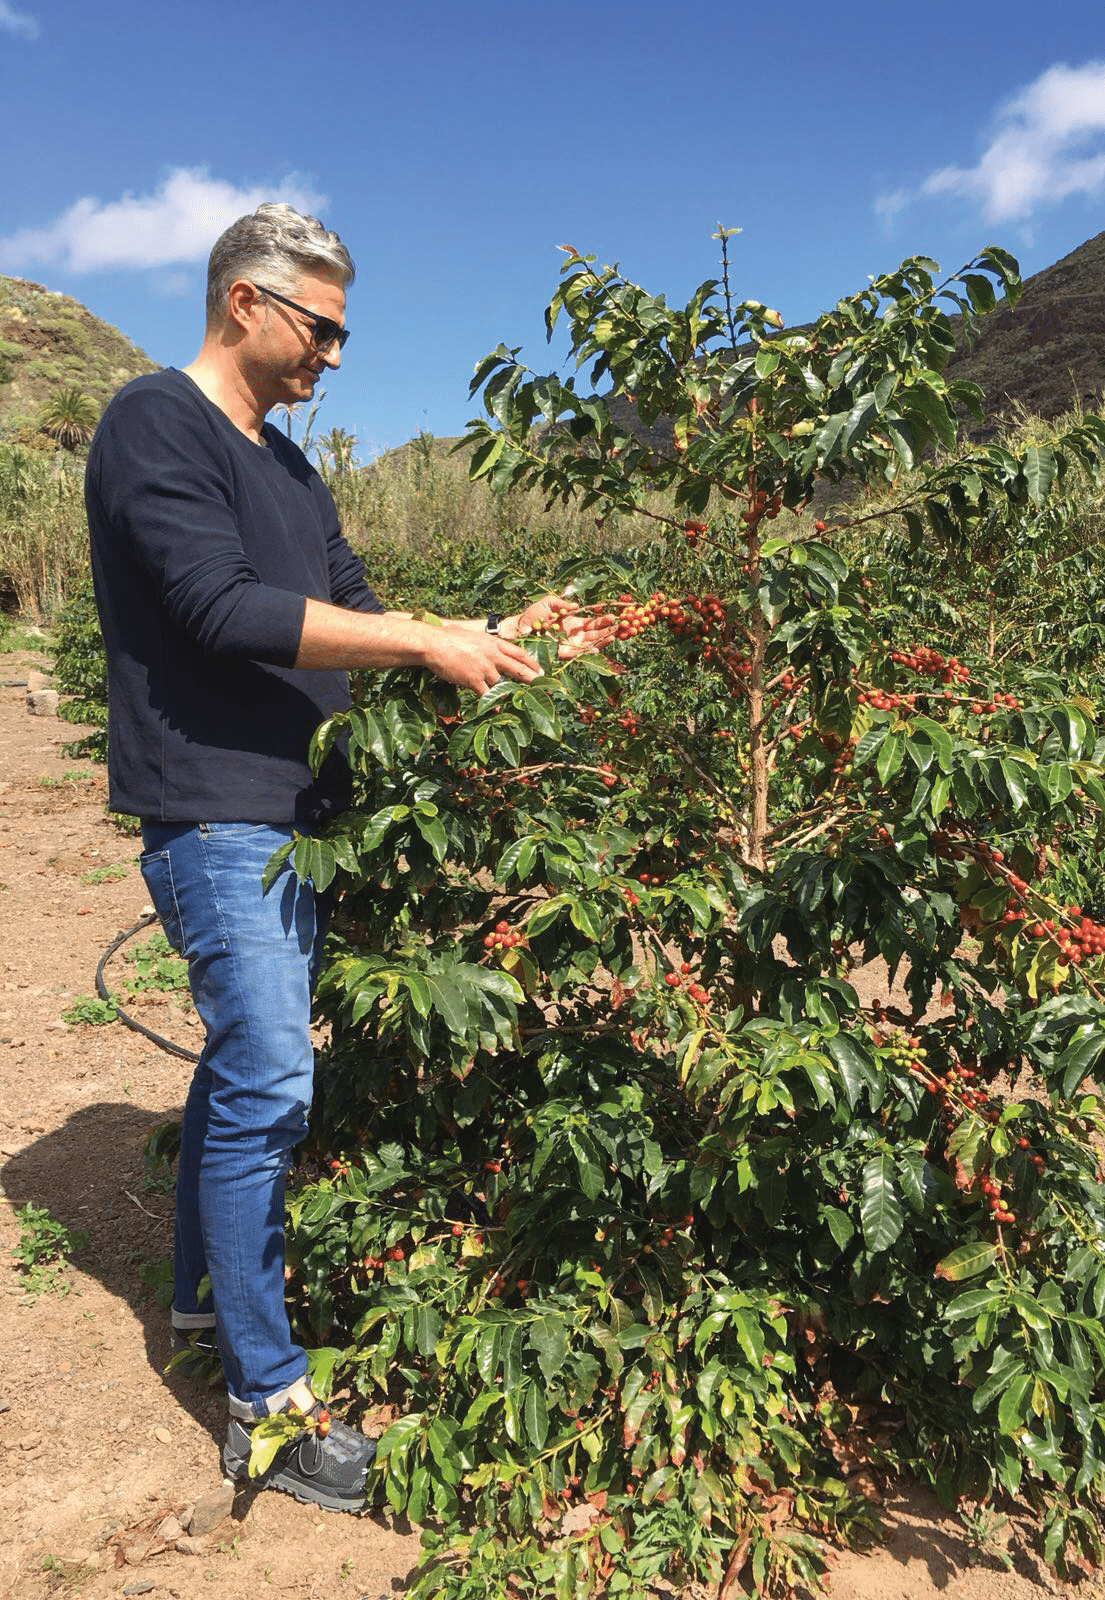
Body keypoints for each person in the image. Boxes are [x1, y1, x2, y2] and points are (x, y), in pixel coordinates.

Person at [85, 202, 610, 1512]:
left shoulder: (293, 471)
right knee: (270, 1077)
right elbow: (220, 608)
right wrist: (428, 638)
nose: (333, 353)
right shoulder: (156, 423)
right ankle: (267, 1410)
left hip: (290, 818)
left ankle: (205, 1305)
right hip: (217, 815)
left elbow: (365, 618)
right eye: (322, 327)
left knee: (243, 1064)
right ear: (245, 303)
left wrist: (499, 636)